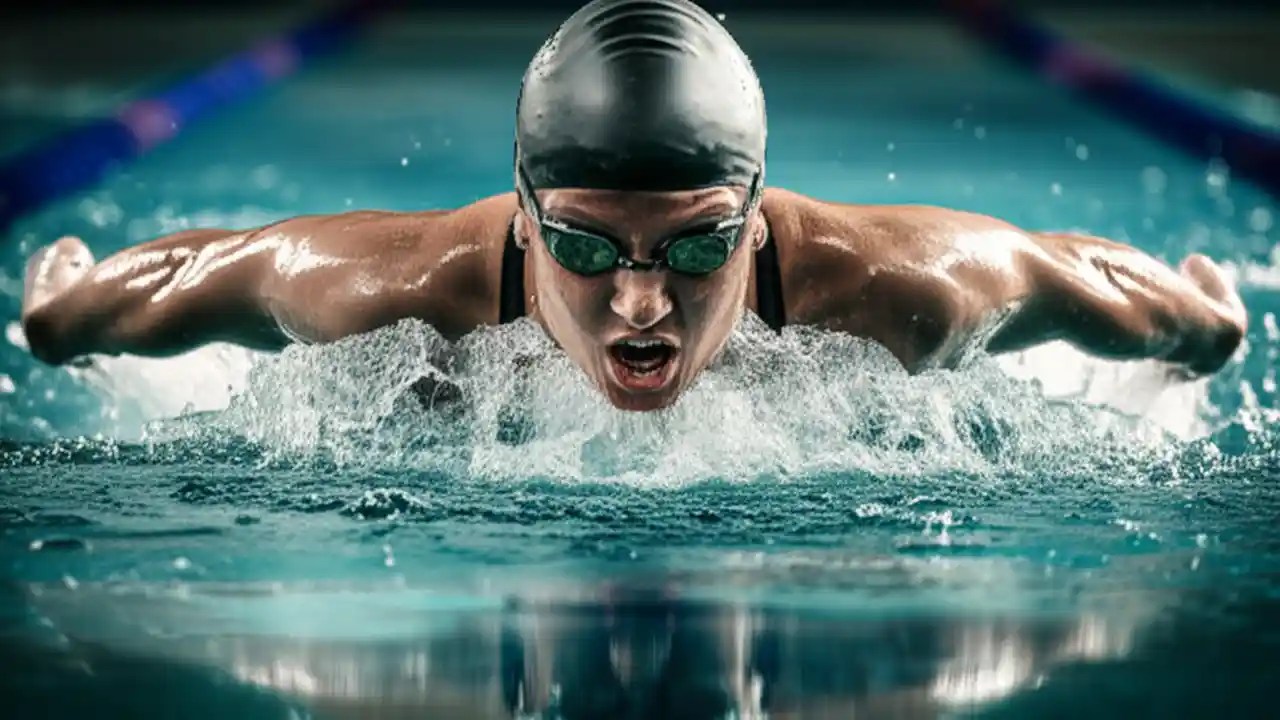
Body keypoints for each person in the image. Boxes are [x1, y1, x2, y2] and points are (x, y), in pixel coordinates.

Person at [20, 0, 1246, 413]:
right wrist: (65, 311)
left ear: (756, 218)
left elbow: (1070, 274)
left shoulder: (904, 290)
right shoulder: (387, 293)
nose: (643, 298)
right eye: (584, 246)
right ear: (521, 216)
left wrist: (1202, 321)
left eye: (700, 243)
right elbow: (206, 271)